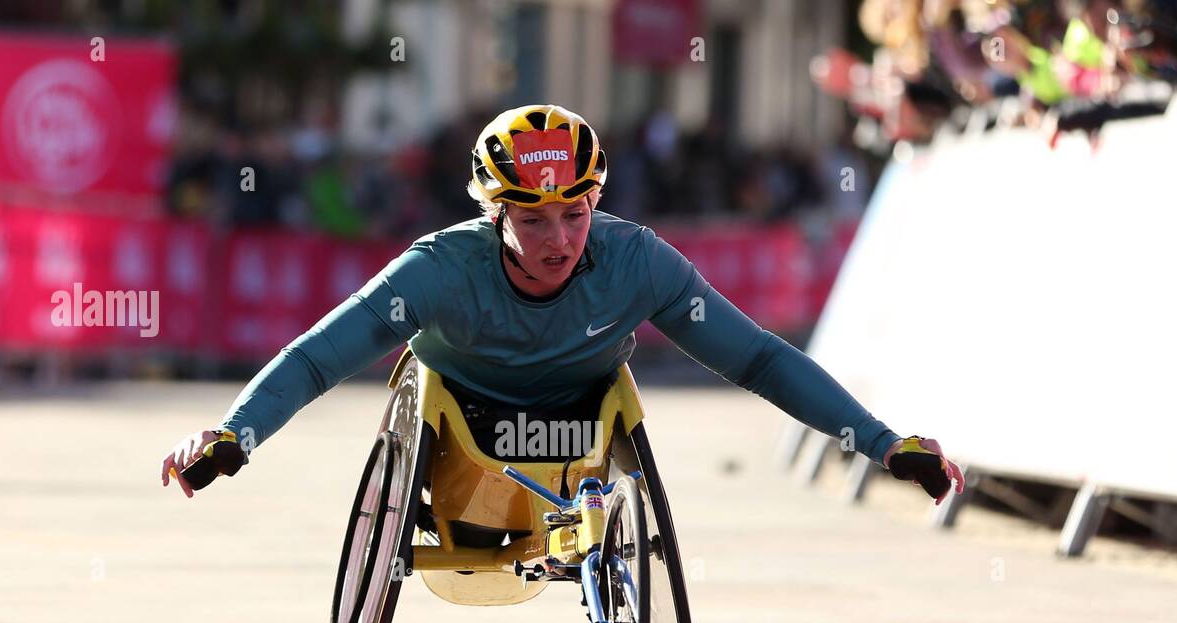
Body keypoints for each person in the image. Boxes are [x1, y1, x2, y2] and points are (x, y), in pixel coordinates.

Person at [161, 104, 963, 503]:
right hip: (458, 416)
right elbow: (317, 357)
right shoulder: (437, 270)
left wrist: (887, 446)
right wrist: (236, 436)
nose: (560, 238)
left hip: (582, 409)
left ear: (596, 203)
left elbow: (757, 357)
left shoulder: (637, 261)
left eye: (575, 214)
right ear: (495, 214)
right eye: (534, 219)